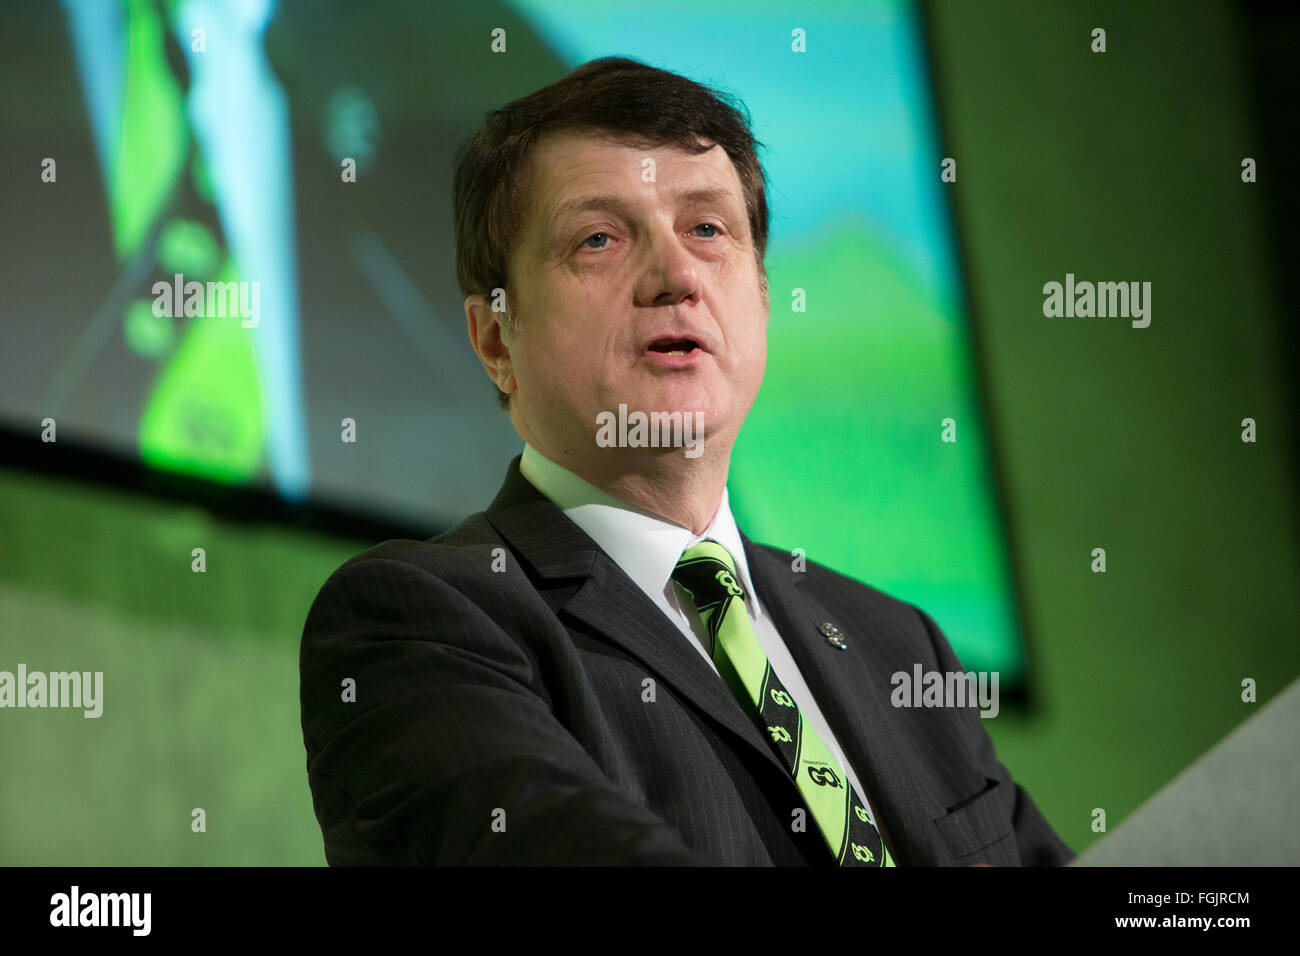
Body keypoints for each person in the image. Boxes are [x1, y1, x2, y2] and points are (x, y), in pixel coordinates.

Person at [299, 56, 1075, 866]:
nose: (676, 277)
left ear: (765, 296)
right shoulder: (418, 622)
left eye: (707, 229)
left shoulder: (901, 648)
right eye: (599, 239)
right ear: (497, 339)